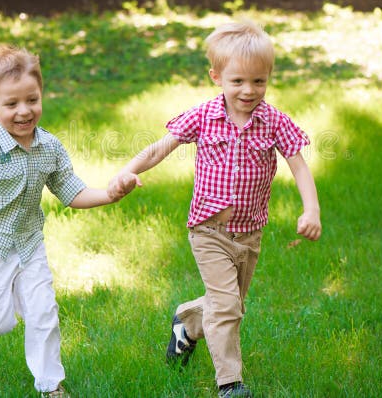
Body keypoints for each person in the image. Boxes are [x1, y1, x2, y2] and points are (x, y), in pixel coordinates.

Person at [111, 21, 321, 398]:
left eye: (259, 81)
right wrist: (127, 171)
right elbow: (160, 148)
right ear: (217, 76)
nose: (249, 90)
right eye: (238, 81)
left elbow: (299, 165)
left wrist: (311, 210)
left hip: (249, 234)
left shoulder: (273, 122)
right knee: (228, 308)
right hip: (208, 231)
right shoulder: (204, 116)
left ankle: (188, 323)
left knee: (228, 304)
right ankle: (231, 384)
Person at [0, 44, 136, 397]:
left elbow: (71, 191)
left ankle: (50, 385)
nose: (24, 111)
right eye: (11, 104)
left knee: (44, 314)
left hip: (30, 245)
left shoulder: (49, 147)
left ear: (41, 95)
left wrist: (109, 194)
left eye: (32, 100)